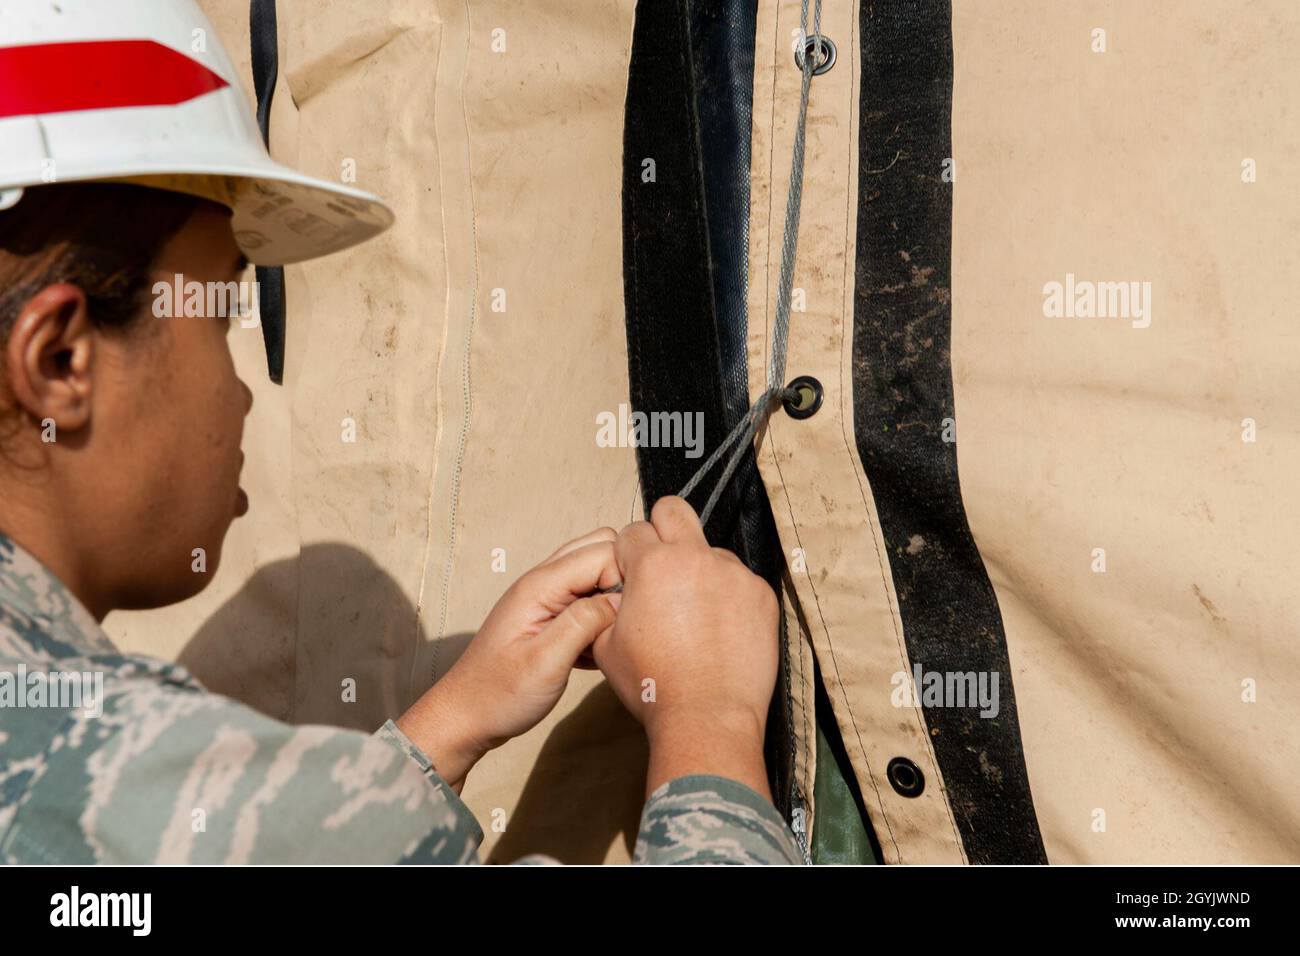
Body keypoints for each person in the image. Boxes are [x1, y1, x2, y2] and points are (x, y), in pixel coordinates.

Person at [0, 4, 802, 866]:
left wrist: (446, 729)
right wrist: (708, 721)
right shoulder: (119, 776)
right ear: (60, 361)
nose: (241, 396)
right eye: (221, 310)